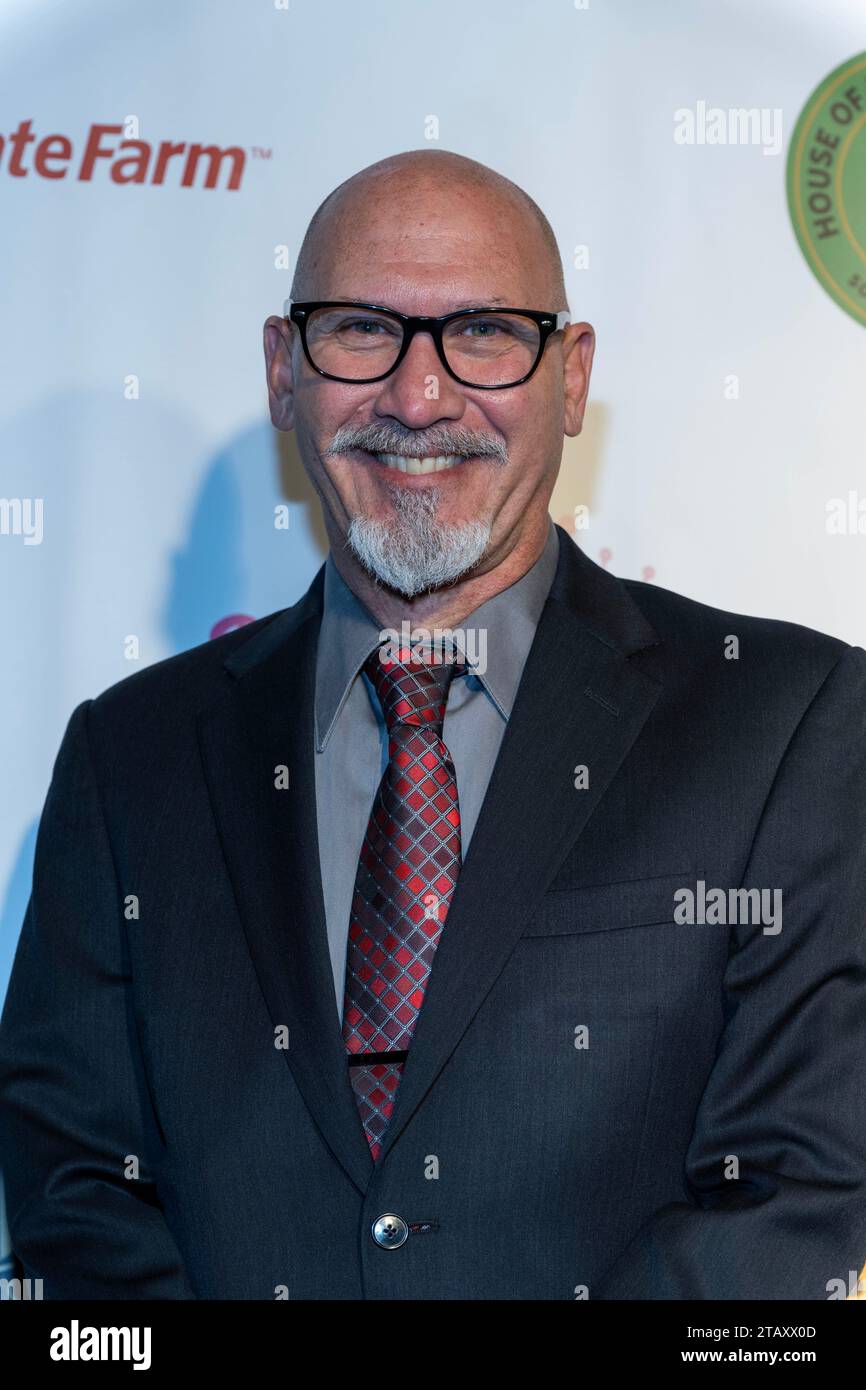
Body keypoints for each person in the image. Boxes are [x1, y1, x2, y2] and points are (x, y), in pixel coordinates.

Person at [1, 149, 865, 1300]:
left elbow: (798, 1191)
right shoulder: (130, 755)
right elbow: (74, 1188)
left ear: (569, 376)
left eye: (485, 332)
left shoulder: (785, 722)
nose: (417, 397)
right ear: (280, 370)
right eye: (361, 329)